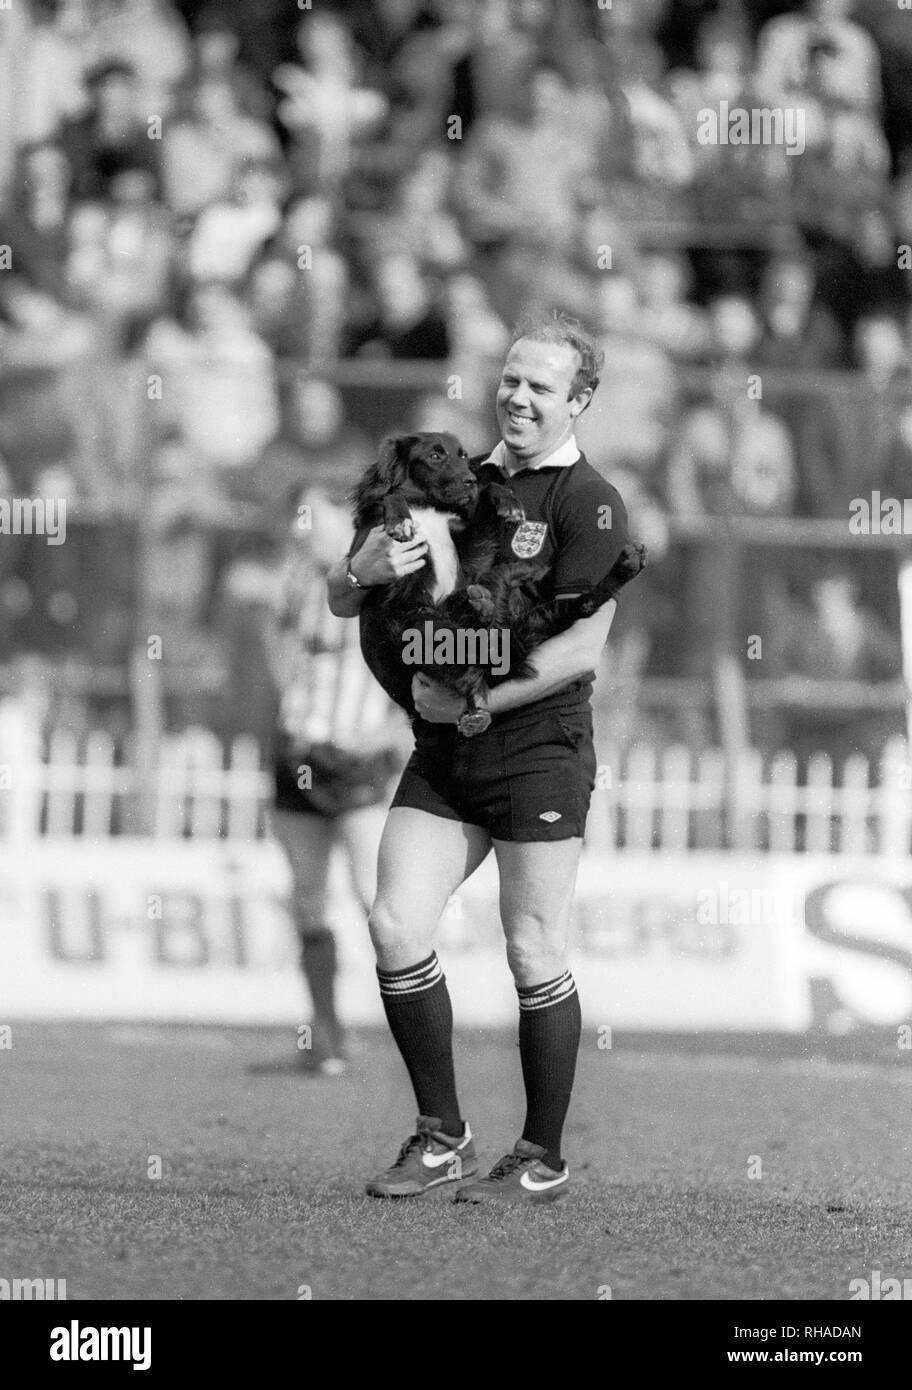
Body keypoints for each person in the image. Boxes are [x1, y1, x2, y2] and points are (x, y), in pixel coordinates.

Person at [327, 311, 631, 1203]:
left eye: (541, 385)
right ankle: (441, 1134)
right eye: (511, 378)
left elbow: (577, 653)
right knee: (393, 925)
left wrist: (471, 701)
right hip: (444, 753)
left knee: (533, 949)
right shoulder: (447, 479)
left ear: (578, 400)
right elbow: (347, 598)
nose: (519, 396)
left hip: (538, 751)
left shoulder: (591, 504)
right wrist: (363, 569)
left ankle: (541, 1157)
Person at [261, 479, 409, 1075]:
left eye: (313, 516)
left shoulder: (391, 584)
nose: (304, 528)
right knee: (307, 899)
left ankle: (414, 1033)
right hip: (298, 757)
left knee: (379, 902)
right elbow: (276, 640)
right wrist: (289, 708)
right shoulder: (296, 580)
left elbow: (424, 656)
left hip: (358, 763)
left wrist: (395, 726)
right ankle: (326, 1034)